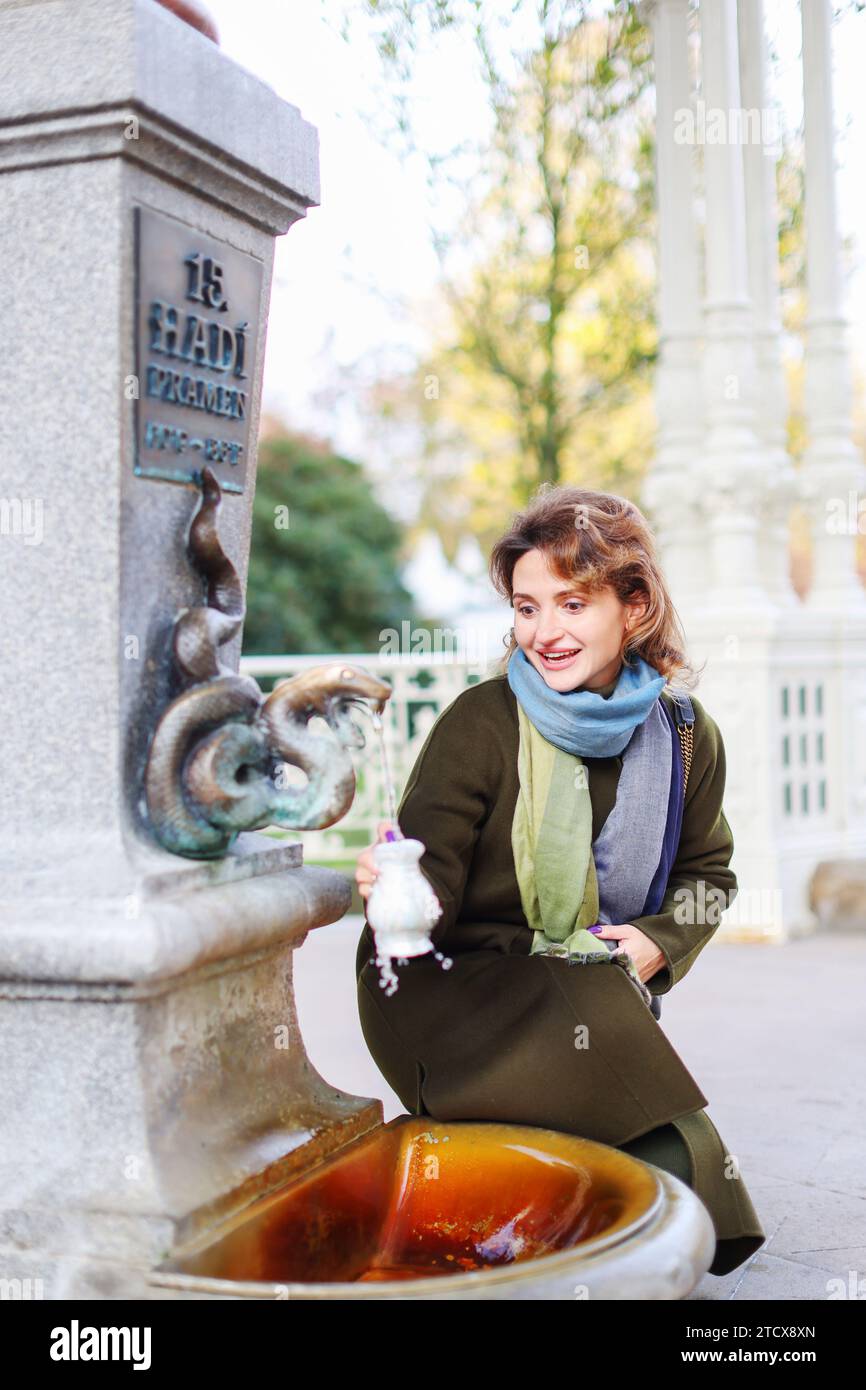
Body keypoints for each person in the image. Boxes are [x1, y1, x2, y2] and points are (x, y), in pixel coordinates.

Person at [354, 485, 765, 1278]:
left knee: (608, 1032)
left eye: (572, 604)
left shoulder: (683, 736)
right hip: (451, 989)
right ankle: (672, 1219)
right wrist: (391, 883)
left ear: (635, 606)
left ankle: (640, 1216)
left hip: (589, 990)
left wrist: (658, 941)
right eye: (526, 607)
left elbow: (710, 873)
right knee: (598, 1018)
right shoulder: (480, 722)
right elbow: (424, 886)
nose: (545, 632)